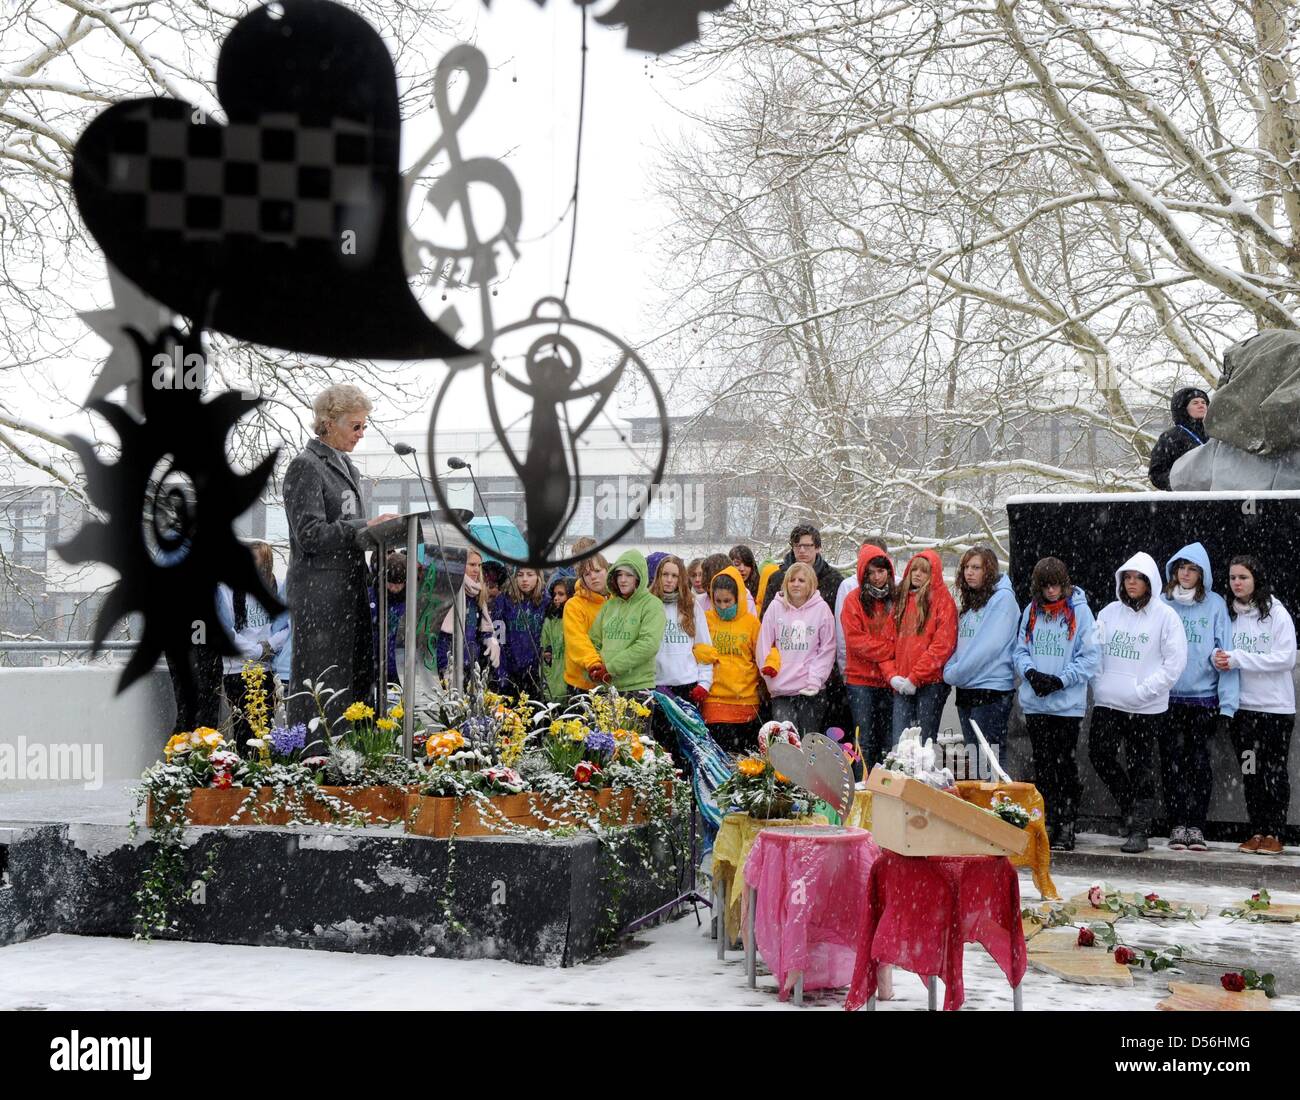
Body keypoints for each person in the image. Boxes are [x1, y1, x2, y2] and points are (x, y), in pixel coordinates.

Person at [284, 384, 396, 732]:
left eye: (365, 426)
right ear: (328, 423)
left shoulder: (347, 467)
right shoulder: (305, 466)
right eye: (356, 426)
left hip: (350, 593)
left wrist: (381, 535)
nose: (362, 434)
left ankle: (353, 765)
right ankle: (317, 762)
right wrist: (366, 526)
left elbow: (348, 530)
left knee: (355, 684)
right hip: (321, 595)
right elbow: (309, 534)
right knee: (324, 687)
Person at [1089, 552, 1187, 853]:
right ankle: (1130, 806)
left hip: (1146, 708)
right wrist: (1100, 686)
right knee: (1099, 754)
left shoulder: (1166, 616)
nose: (1132, 583)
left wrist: (1144, 692)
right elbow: (1094, 653)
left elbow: (1174, 663)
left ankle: (1139, 829)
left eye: (1138, 578)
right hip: (1108, 703)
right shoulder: (1107, 613)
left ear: (1149, 582)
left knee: (1141, 767)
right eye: (1127, 577)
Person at [1014, 557, 1100, 852]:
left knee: (1066, 765)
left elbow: (1089, 658)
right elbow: (1020, 650)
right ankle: (1047, 820)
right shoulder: (1031, 611)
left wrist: (1061, 680)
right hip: (1037, 702)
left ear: (1065, 583)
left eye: (1056, 585)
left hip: (1066, 704)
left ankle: (1068, 821)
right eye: (1046, 586)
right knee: (1043, 765)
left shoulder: (1081, 613)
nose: (1052, 592)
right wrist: (1031, 673)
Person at [1159, 543, 1239, 852]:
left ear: (1201, 573)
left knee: (1199, 764)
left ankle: (1197, 827)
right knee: (1171, 764)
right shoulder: (1164, 603)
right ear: (1174, 571)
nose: (1186, 574)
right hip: (1168, 699)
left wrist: (1228, 703)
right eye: (1181, 568)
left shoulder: (1216, 604)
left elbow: (1226, 651)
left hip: (1204, 700)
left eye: (1192, 569)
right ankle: (1176, 825)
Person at [1216, 556, 1295, 855]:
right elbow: (1221, 648)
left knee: (1274, 770)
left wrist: (1239, 658)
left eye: (1243, 577)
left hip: (1275, 709)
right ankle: (1257, 830)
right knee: (1250, 769)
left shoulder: (1276, 613)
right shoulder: (1228, 614)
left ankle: (1276, 832)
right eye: (1233, 577)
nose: (1237, 582)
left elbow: (1285, 659)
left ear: (1256, 580)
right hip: (1243, 710)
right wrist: (1218, 657)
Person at [943, 547, 1020, 771]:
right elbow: (962, 645)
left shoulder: (1003, 599)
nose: (969, 573)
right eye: (966, 567)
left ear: (989, 570)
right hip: (967, 689)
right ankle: (979, 804)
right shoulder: (971, 602)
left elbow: (988, 647)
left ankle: (997, 803)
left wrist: (953, 673)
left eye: (976, 567)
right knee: (975, 759)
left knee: (991, 756)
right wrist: (952, 667)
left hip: (991, 691)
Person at [216, 541, 290, 750]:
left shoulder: (278, 587)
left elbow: (287, 626)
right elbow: (225, 631)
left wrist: (270, 645)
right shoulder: (228, 590)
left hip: (267, 669)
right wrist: (255, 651)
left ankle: (261, 775)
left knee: (264, 730)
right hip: (237, 670)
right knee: (244, 732)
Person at [757, 562, 837, 734]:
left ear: (811, 584)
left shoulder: (822, 609)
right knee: (787, 744)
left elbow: (827, 649)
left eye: (801, 580)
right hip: (781, 690)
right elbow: (763, 644)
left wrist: (815, 680)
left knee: (809, 742)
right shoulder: (775, 606)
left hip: (810, 690)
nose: (796, 584)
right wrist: (770, 678)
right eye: (792, 580)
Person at [889, 550, 958, 742]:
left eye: (924, 571)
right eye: (914, 569)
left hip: (931, 684)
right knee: (900, 743)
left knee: (923, 744)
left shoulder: (943, 602)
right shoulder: (902, 600)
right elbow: (890, 642)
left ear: (933, 574)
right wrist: (893, 675)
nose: (918, 574)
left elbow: (942, 646)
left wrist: (916, 677)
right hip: (902, 682)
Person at [841, 543, 897, 769]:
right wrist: (889, 650)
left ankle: (885, 793)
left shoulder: (898, 599)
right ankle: (861, 791)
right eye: (870, 572)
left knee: (888, 743)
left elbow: (901, 636)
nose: (876, 577)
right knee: (863, 742)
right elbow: (856, 642)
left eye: (881, 571)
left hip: (890, 681)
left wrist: (886, 649)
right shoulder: (853, 600)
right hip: (860, 681)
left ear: (889, 572)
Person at [697, 566, 762, 753]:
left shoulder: (751, 623)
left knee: (746, 765)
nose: (723, 606)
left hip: (746, 702)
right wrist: (700, 652)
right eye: (718, 601)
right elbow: (695, 647)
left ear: (738, 598)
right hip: (714, 702)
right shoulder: (705, 619)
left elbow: (762, 655)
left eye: (728, 601)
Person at [649, 555, 713, 738]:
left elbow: (704, 647)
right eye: (665, 574)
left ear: (681, 578)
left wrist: (704, 683)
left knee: (688, 746)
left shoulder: (691, 606)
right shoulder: (649, 605)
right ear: (658, 576)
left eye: (674, 576)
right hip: (657, 686)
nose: (669, 580)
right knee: (662, 748)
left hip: (686, 686)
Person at [588, 550, 666, 693]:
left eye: (629, 575)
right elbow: (594, 640)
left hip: (637, 687)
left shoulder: (652, 605)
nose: (623, 580)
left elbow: (648, 645)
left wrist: (611, 668)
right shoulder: (609, 605)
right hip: (606, 687)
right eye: (619, 575)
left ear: (638, 578)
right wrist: (596, 665)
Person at [435, 549, 498, 681]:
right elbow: (442, 638)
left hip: (472, 669)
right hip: (451, 670)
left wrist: (490, 639)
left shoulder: (478, 594)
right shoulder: (449, 592)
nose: (476, 570)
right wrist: (445, 667)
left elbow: (481, 630)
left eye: (479, 565)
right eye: (472, 565)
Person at [492, 566, 546, 699]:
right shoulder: (504, 601)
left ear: (538, 577)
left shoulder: (546, 602)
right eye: (520, 575)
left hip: (536, 672)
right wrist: (501, 672)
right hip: (509, 670)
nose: (525, 579)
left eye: (530, 574)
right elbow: (498, 640)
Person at [562, 551, 609, 695]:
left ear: (607, 571)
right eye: (587, 574)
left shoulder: (617, 602)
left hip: (613, 680)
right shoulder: (574, 605)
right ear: (582, 578)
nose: (593, 576)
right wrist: (594, 664)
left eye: (597, 570)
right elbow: (577, 640)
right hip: (582, 682)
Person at [1148, 386, 1209, 490]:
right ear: (1184, 408)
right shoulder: (1171, 437)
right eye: (1195, 403)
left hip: (1217, 496)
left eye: (1204, 402)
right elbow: (1156, 473)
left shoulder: (1216, 434)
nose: (1201, 405)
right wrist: (1181, 484)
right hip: (1186, 500)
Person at [370, 550, 414, 688]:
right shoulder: (372, 596)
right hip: (375, 666)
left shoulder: (412, 601)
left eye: (399, 584)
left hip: (400, 668)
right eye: (391, 583)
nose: (394, 588)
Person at [540, 575, 574, 703]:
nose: (556, 598)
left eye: (561, 594)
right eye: (554, 594)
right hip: (552, 682)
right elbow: (544, 644)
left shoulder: (575, 619)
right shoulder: (550, 619)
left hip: (569, 685)